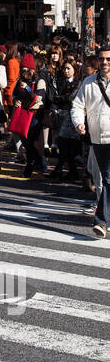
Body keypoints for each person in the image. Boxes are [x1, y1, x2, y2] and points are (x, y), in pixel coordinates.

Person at [72, 47, 110, 239]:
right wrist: (79, 122)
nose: (105, 62)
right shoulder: (89, 82)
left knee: (109, 179)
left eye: (108, 59)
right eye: (102, 59)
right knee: (104, 179)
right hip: (97, 138)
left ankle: (101, 221)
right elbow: (78, 106)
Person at [53, 57, 82, 182]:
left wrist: (60, 98)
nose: (66, 71)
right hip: (62, 115)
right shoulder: (61, 81)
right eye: (64, 68)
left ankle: (66, 171)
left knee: (70, 146)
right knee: (63, 144)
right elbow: (55, 97)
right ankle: (66, 170)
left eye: (68, 68)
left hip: (73, 116)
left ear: (74, 69)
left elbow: (70, 98)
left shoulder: (78, 82)